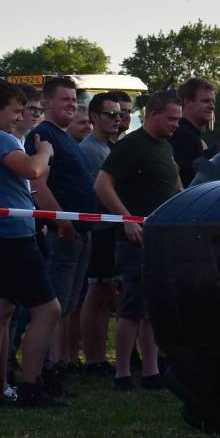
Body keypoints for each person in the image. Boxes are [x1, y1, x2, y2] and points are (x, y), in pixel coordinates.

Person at [0, 79, 65, 408]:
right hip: (13, 237)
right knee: (48, 310)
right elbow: (32, 170)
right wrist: (45, 151)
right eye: (16, 111)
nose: (19, 117)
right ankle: (31, 386)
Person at [95, 88, 182, 389]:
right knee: (133, 306)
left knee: (152, 307)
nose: (176, 125)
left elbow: (174, 183)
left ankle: (150, 370)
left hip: (161, 237)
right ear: (154, 114)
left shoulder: (165, 147)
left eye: (178, 120)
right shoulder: (132, 145)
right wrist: (128, 219)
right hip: (135, 239)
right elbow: (103, 184)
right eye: (171, 119)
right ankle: (121, 373)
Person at [27, 76, 100, 378]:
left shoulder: (65, 136)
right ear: (47, 102)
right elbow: (37, 183)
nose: (71, 104)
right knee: (54, 306)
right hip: (64, 233)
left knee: (68, 305)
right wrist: (61, 220)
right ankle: (45, 368)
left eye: (74, 99)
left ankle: (58, 364)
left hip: (82, 233)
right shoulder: (43, 136)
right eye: (64, 99)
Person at [79, 92, 129, 375]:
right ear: (94, 117)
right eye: (110, 114)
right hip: (99, 229)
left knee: (106, 292)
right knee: (96, 293)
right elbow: (97, 192)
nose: (117, 118)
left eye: (120, 114)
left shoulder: (109, 148)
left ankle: (98, 358)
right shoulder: (90, 149)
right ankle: (94, 358)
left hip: (111, 228)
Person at [173, 78, 216, 186]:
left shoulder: (191, 135)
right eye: (205, 101)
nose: (212, 106)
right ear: (187, 102)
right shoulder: (183, 136)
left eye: (213, 101)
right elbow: (171, 175)